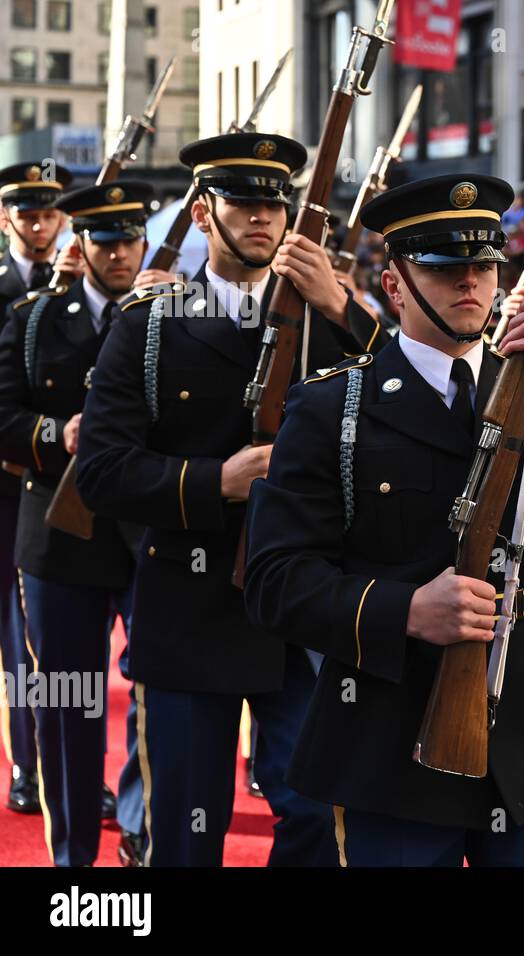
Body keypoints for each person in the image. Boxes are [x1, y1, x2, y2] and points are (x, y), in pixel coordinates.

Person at [241, 173, 524, 866]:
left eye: (483, 267)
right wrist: (405, 609)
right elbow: (275, 581)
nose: (470, 284)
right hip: (390, 741)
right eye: (445, 269)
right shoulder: (332, 410)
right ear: (394, 286)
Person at [74, 131, 378, 867]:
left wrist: (342, 303)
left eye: (276, 203)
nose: (263, 217)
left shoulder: (330, 327)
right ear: (203, 214)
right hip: (188, 614)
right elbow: (102, 471)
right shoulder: (147, 328)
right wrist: (217, 482)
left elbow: (408, 407)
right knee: (188, 834)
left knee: (316, 815)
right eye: (242, 202)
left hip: (298, 618)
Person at [0, 181, 149, 866]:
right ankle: (75, 862)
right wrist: (58, 431)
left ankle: (143, 825)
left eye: (129, 239)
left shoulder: (169, 318)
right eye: (106, 240)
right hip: (60, 539)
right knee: (70, 703)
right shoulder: (32, 320)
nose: (120, 253)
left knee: (159, 696)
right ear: (79, 243)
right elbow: (3, 418)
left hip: (152, 534)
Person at [0, 161, 74, 818]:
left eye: (50, 213)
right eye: (28, 213)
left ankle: (45, 766)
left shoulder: (75, 289)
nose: (41, 225)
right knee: (14, 641)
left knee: (38, 644)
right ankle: (32, 761)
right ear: (6, 219)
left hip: (52, 484)